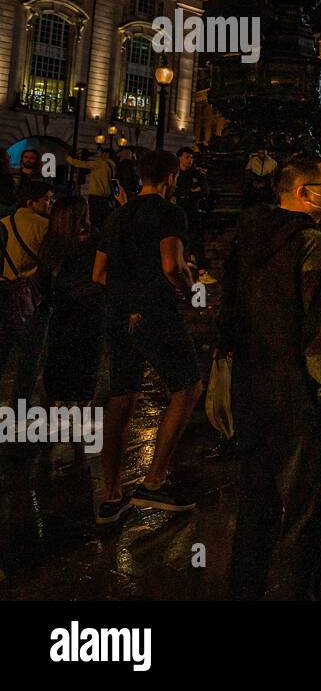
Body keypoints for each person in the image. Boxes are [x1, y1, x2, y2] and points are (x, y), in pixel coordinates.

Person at [220, 156, 321, 600]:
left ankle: (245, 588)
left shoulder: (249, 237)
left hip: (251, 388)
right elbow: (319, 333)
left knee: (257, 502)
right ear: (301, 192)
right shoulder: (313, 244)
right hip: (296, 396)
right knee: (310, 507)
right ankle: (299, 592)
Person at [93, 150, 203, 523]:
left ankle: (110, 495)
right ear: (172, 177)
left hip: (116, 312)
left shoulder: (118, 215)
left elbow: (98, 274)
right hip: (154, 312)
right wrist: (190, 291)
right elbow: (172, 265)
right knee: (186, 387)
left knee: (121, 398)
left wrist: (126, 290)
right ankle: (154, 481)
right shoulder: (170, 213)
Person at [37, 196, 104, 404]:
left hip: (62, 310)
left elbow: (43, 280)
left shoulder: (51, 243)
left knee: (58, 358)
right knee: (87, 360)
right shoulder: (95, 241)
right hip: (90, 309)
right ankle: (81, 407)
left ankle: (54, 403)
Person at [0, 180, 54, 400]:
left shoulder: (2, 222)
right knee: (29, 358)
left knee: (2, 351)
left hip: (3, 291)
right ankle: (19, 409)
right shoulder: (44, 227)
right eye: (47, 200)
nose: (50, 204)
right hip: (28, 297)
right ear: (31, 202)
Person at [174, 147, 213, 283]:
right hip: (178, 211)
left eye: (191, 157)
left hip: (193, 211)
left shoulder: (197, 173)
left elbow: (205, 191)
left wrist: (187, 193)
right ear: (179, 158)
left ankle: (202, 271)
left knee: (197, 239)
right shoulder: (175, 173)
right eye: (187, 157)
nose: (190, 160)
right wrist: (191, 191)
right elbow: (174, 191)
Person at [65, 146, 118, 228]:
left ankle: (94, 236)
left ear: (107, 154)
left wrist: (68, 159)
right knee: (102, 218)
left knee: (94, 218)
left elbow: (83, 164)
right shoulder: (112, 166)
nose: (101, 155)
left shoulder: (101, 163)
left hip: (96, 194)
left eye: (103, 153)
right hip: (106, 196)